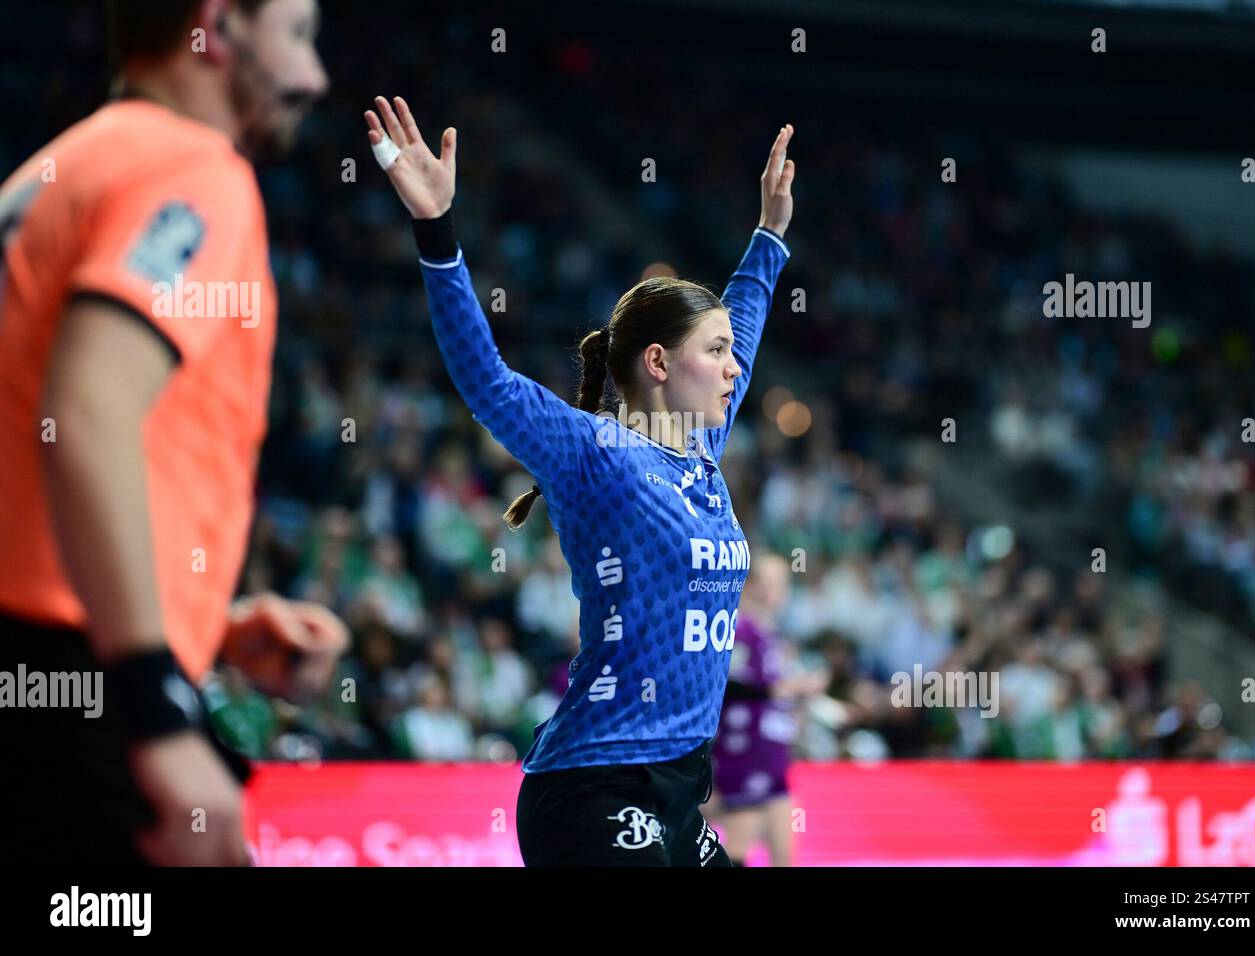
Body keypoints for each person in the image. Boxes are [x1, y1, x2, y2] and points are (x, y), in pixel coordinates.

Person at [366, 95, 795, 865]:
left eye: (733, 354)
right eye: (716, 352)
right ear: (660, 364)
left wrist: (768, 236)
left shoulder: (697, 451)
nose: (736, 368)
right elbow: (489, 382)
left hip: (679, 792)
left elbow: (749, 327)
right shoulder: (596, 454)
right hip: (594, 786)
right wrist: (437, 232)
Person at [0, 0, 344, 866]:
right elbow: (87, 412)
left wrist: (209, 626)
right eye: (298, 35)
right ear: (218, 26)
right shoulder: (194, 172)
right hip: (78, 695)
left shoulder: (53, 173)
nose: (316, 79)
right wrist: (154, 706)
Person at [708, 553, 828, 866]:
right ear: (752, 586)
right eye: (769, 582)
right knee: (738, 848)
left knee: (784, 854)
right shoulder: (737, 627)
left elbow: (776, 693)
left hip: (771, 755)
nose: (777, 591)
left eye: (781, 583)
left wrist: (800, 698)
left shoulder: (772, 635)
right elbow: (727, 684)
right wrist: (786, 688)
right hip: (743, 751)